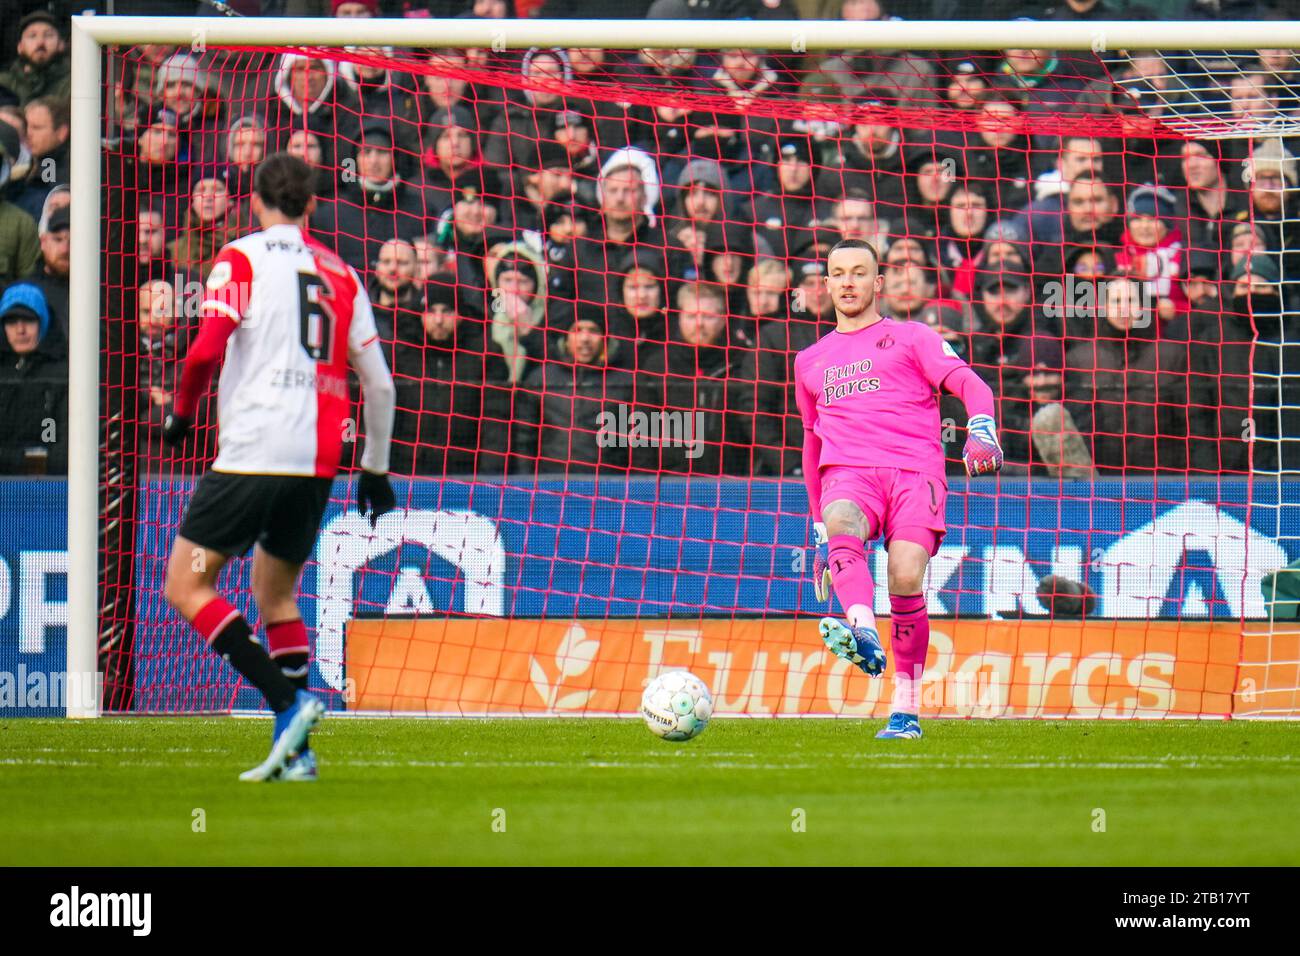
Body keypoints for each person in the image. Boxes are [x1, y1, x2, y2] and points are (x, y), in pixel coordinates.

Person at [159, 153, 397, 782]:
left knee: (186, 585)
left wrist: (181, 413)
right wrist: (374, 469)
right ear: (312, 205)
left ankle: (288, 700)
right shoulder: (342, 273)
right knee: (277, 593)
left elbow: (207, 347)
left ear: (255, 201)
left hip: (253, 451)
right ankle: (298, 755)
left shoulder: (239, 258)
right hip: (316, 458)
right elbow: (380, 385)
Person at [795, 239, 1000, 740]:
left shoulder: (912, 337)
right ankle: (864, 628)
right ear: (825, 286)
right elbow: (809, 442)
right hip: (849, 473)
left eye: (859, 273)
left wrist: (981, 428)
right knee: (843, 519)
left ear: (877, 283)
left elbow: (972, 385)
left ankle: (905, 711)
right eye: (838, 274)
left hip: (915, 474)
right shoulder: (809, 360)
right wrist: (820, 525)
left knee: (906, 575)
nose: (847, 282)